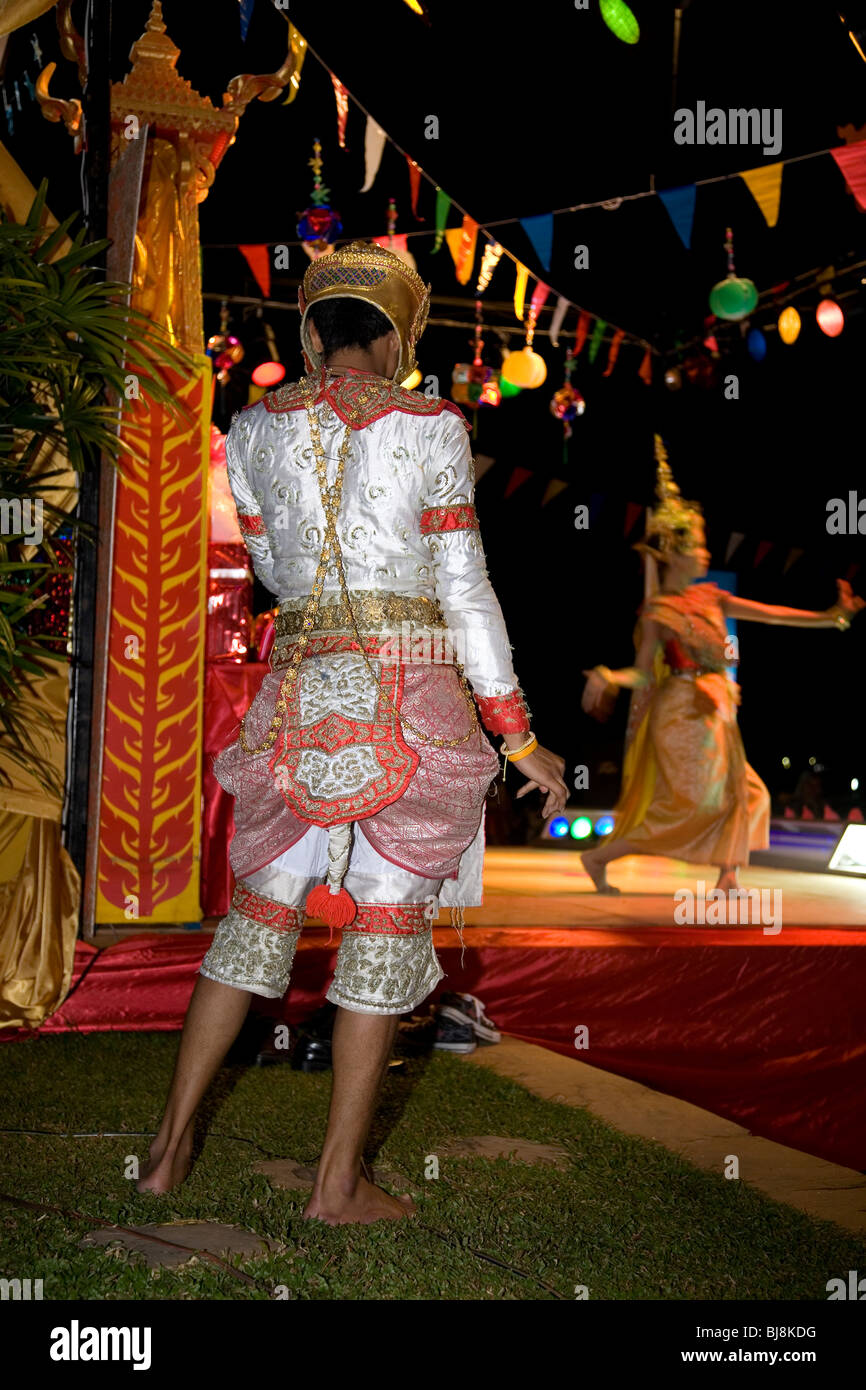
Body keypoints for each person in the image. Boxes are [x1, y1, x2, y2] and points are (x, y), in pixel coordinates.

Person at [136, 241, 568, 1222]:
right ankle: (335, 1185)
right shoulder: (430, 425)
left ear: (313, 330)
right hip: (407, 690)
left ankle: (163, 1154)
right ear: (396, 333)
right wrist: (514, 732)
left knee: (256, 916)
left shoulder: (249, 425)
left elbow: (260, 560)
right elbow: (461, 584)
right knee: (381, 919)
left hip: (296, 686)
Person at [580, 436, 863, 895]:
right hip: (680, 714)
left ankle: (728, 876)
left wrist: (832, 618)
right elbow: (644, 674)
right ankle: (599, 855)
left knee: (748, 794)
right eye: (697, 543)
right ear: (671, 552)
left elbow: (773, 613)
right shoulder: (659, 611)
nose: (706, 551)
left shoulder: (712, 597)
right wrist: (609, 675)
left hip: (717, 710)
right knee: (690, 807)